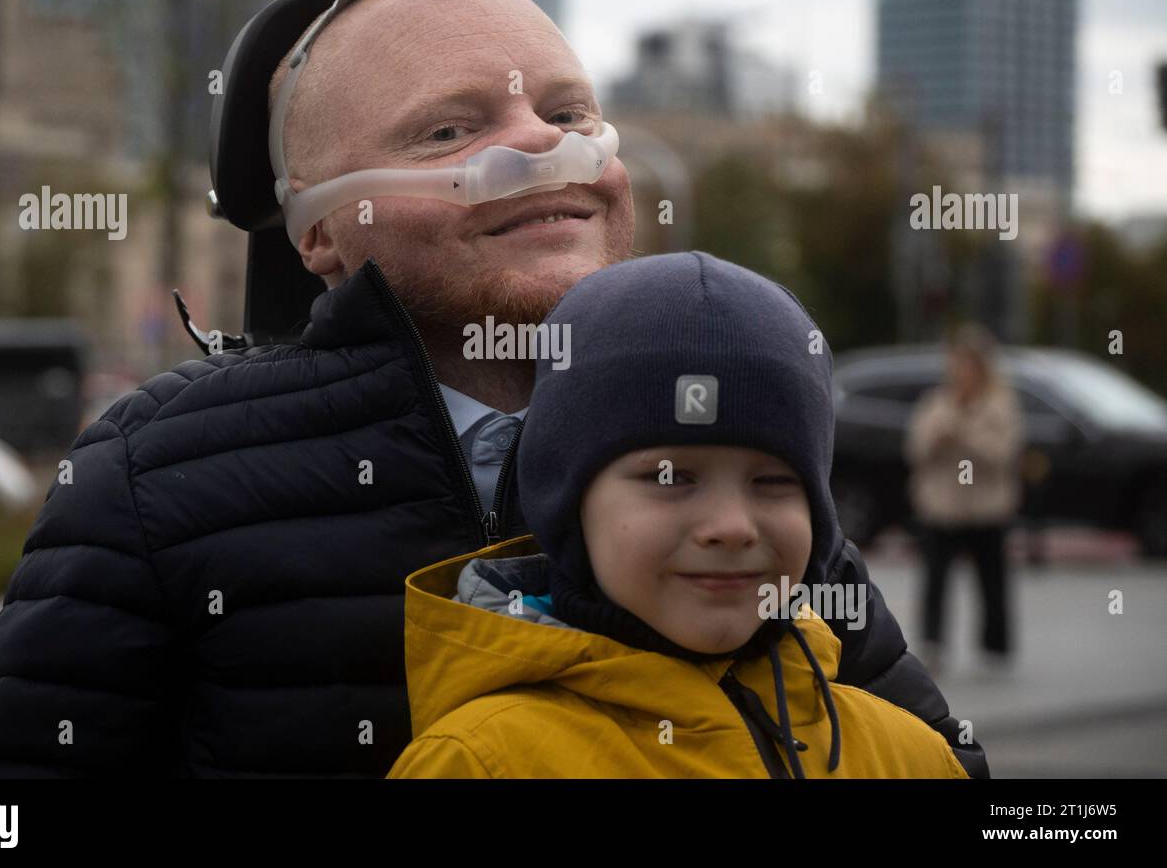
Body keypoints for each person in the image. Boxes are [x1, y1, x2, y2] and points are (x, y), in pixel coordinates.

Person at [0, 0, 983, 778]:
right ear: (317, 231)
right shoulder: (155, 470)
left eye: (571, 114)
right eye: (453, 127)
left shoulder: (730, 439)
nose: (543, 146)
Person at [388, 253, 969, 778]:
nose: (732, 526)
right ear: (565, 502)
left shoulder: (910, 757)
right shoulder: (482, 763)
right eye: (671, 478)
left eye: (773, 482)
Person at [904, 323, 1024, 676]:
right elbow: (916, 449)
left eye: (970, 365)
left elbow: (1003, 454)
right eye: (958, 364)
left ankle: (995, 646)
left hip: (987, 509)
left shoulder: (1000, 406)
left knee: (993, 580)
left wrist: (964, 435)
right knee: (935, 580)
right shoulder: (936, 403)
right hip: (941, 508)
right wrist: (945, 429)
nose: (963, 372)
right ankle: (932, 643)